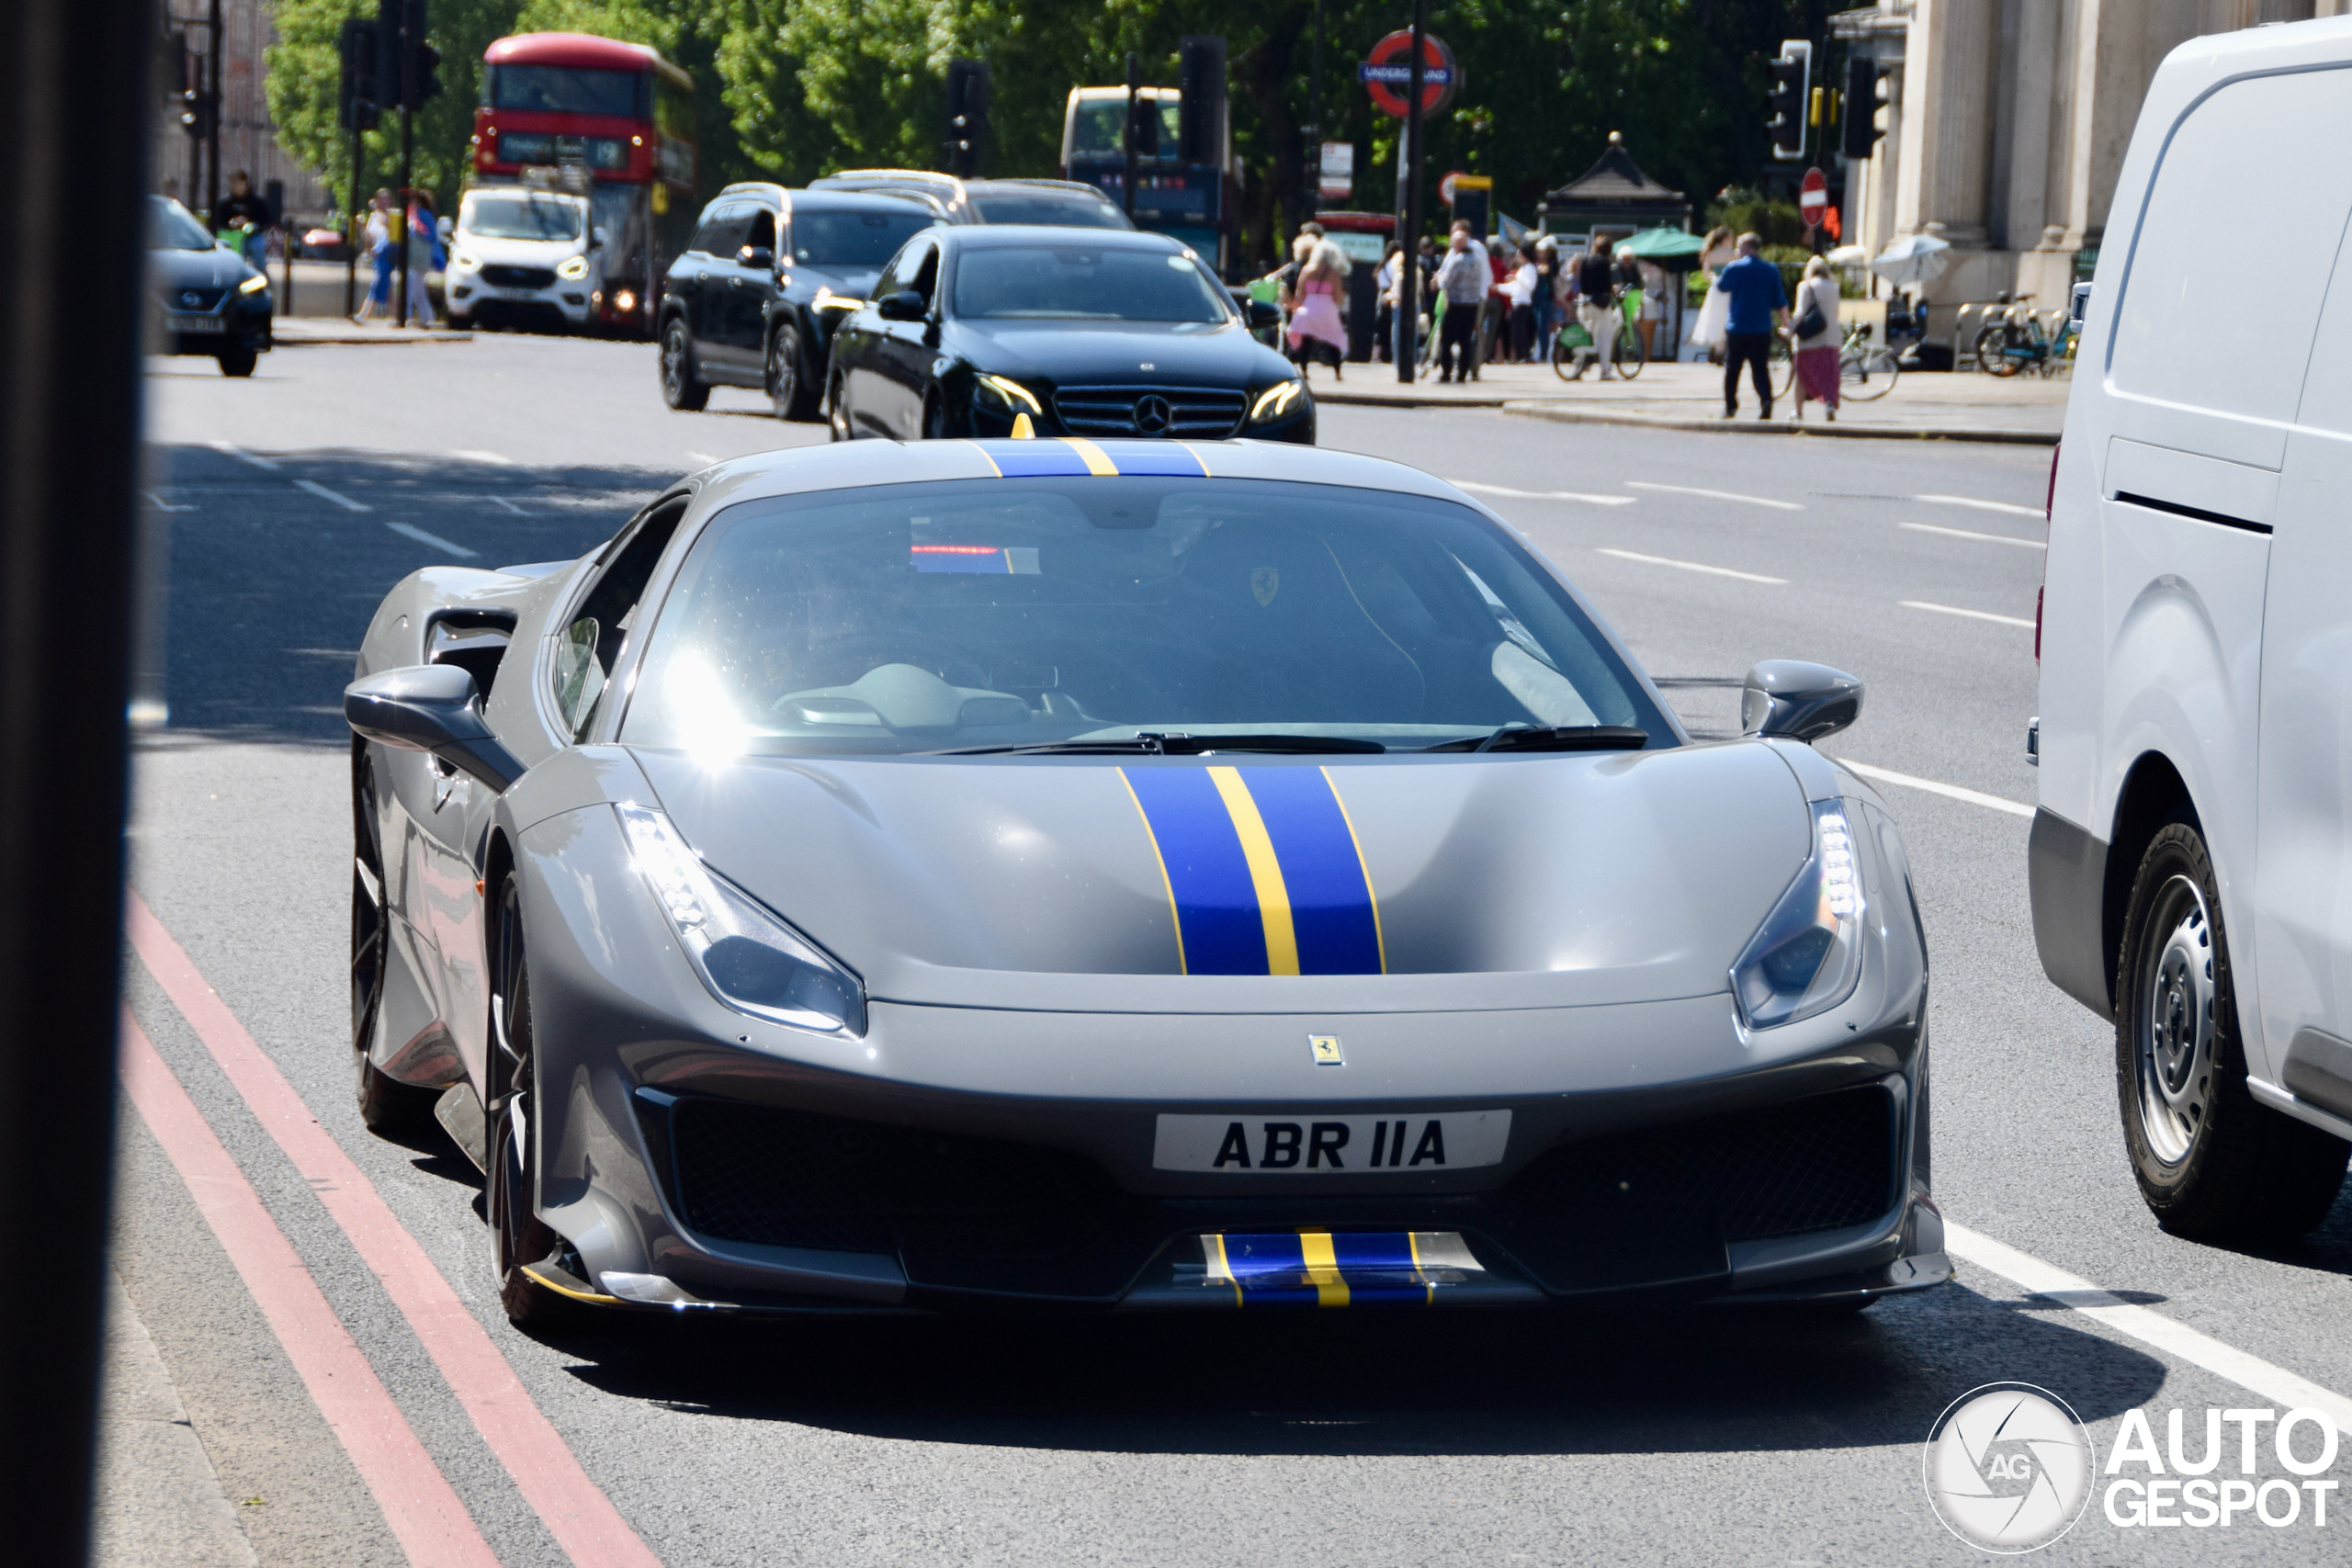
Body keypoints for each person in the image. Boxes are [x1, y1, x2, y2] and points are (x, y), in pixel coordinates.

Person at [1714, 232, 1789, 419]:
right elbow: (1780, 301)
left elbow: (1721, 286)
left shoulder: (1734, 267)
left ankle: (1730, 406)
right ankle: (1766, 399)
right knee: (1760, 368)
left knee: (1733, 369)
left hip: (1737, 327)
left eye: (1739, 248)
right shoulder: (1771, 269)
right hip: (1761, 328)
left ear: (1745, 248)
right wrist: (1785, 324)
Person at [1790, 254, 1842, 423]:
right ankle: (1829, 405)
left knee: (1802, 377)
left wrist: (1789, 329)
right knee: (1829, 376)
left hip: (1809, 341)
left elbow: (1800, 313)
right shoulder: (1834, 288)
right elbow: (1836, 313)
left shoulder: (1805, 286)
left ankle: (1798, 412)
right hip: (1831, 339)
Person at [1286, 239, 1350, 378]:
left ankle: (1304, 370)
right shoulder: (1334, 273)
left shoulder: (1307, 270)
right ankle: (1337, 372)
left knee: (1306, 340)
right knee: (1333, 340)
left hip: (1308, 309)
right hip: (1327, 310)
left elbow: (1300, 295)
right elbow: (1338, 297)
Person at [1431, 230, 1487, 382]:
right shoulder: (1477, 261)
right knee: (1465, 341)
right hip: (1472, 305)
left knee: (1446, 341)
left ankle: (1446, 372)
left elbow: (1445, 283)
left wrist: (1438, 278)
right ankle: (1462, 373)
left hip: (1456, 305)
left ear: (1456, 245)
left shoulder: (1457, 261)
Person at [1690, 225, 1736, 362]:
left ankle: (1716, 349)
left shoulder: (1710, 254)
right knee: (1726, 317)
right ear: (1725, 239)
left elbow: (1705, 275)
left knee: (1714, 317)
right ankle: (1722, 351)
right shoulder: (1733, 254)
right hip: (1729, 288)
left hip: (1715, 288)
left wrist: (1714, 277)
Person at [1575, 234, 1619, 380]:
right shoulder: (1604, 262)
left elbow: (1582, 282)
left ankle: (1578, 366)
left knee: (1585, 334)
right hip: (1599, 303)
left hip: (1584, 301)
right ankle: (1605, 371)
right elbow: (1606, 285)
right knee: (1605, 335)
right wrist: (1613, 290)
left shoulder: (1585, 260)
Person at [354, 188, 394, 323]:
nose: (384, 202)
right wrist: (361, 227)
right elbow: (369, 237)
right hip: (377, 255)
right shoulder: (374, 216)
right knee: (388, 289)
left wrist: (377, 211)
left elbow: (388, 226)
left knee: (377, 284)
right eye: (381, 199)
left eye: (386, 198)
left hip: (387, 253)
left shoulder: (392, 215)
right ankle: (397, 317)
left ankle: (363, 315)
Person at [214, 170, 272, 263]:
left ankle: (260, 270)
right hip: (232, 236)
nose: (236, 186)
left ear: (245, 183)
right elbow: (220, 222)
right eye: (233, 183)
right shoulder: (225, 203)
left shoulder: (257, 202)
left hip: (252, 235)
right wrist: (233, 223)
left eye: (239, 183)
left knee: (257, 246)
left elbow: (265, 221)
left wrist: (249, 222)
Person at [404, 190, 439, 328]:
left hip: (421, 257)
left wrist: (422, 232)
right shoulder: (413, 215)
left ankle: (407, 317)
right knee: (418, 292)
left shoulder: (425, 215)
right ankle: (428, 318)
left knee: (411, 289)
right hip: (414, 257)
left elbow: (433, 236)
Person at [1503, 245, 1539, 363]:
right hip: (1516, 301)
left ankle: (1525, 355)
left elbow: (1530, 285)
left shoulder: (1530, 268)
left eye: (1519, 254)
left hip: (1523, 303)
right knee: (1516, 330)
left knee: (1519, 330)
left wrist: (1516, 277)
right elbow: (1514, 287)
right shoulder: (1522, 269)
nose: (1517, 256)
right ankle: (1519, 355)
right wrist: (1498, 287)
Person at [1532, 237, 1564, 362]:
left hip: (1545, 300)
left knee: (1543, 327)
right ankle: (1539, 353)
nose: (1540, 254)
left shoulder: (1551, 265)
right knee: (1538, 327)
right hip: (1537, 300)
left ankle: (1543, 355)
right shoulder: (1539, 265)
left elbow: (1546, 271)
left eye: (1543, 251)